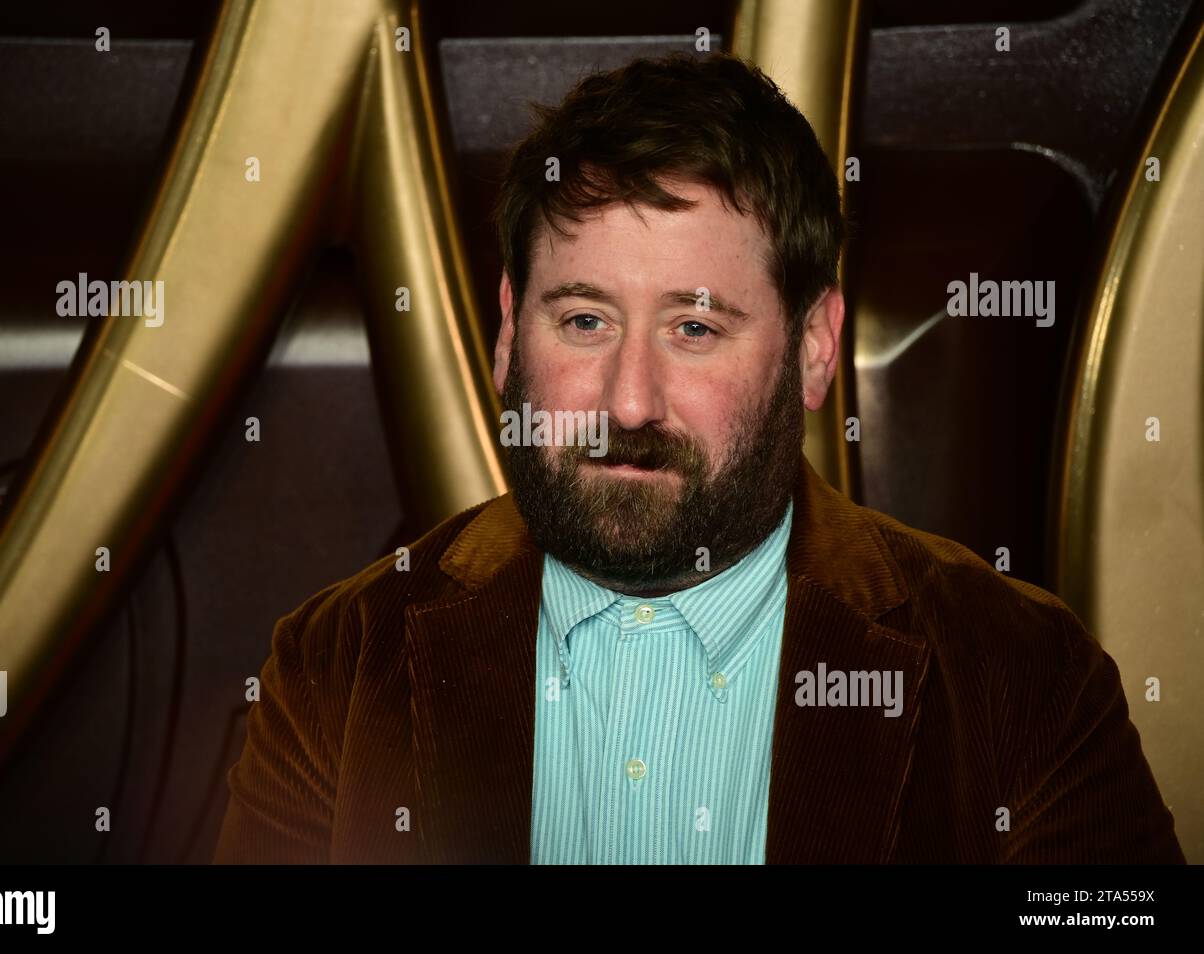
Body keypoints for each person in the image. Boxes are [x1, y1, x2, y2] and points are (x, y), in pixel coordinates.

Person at [212, 52, 1184, 864]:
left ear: (812, 349)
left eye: (694, 326)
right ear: (508, 332)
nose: (627, 399)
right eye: (584, 319)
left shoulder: (1023, 678)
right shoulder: (337, 668)